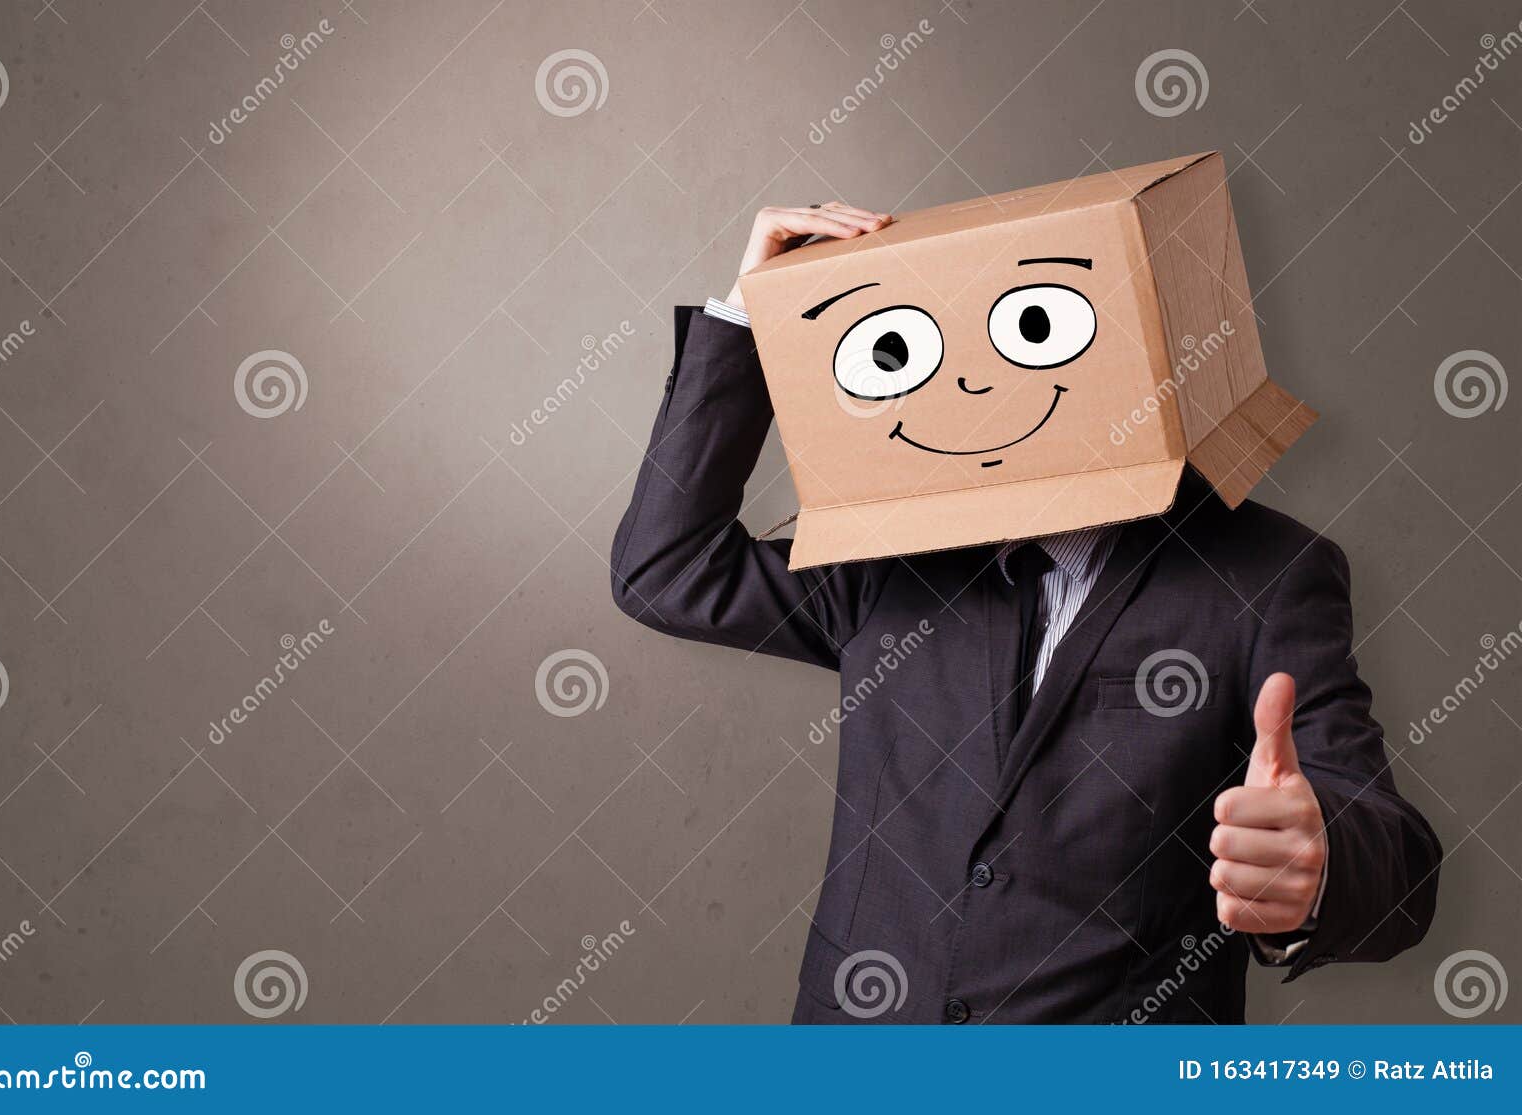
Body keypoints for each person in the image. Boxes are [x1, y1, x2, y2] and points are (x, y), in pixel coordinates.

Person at [610, 203, 1441, 1024]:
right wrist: (753, 313)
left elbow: (1399, 870)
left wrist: (1320, 860)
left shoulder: (1268, 573)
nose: (981, 380)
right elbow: (667, 567)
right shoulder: (890, 551)